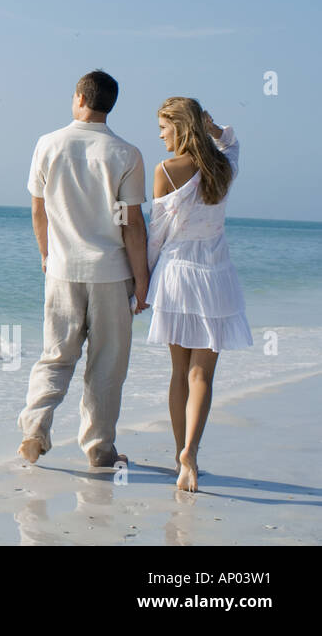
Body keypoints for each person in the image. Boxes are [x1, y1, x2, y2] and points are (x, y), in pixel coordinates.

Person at [18, 70, 150, 467]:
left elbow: (38, 209)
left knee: (55, 356)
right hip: (111, 272)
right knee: (106, 364)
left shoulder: (48, 144)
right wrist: (142, 281)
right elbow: (133, 225)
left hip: (61, 269)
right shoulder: (126, 153)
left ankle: (35, 431)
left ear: (79, 98)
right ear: (111, 104)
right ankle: (98, 448)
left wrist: (45, 254)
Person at [146, 98, 251, 492]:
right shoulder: (222, 168)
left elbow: (157, 233)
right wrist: (214, 129)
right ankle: (192, 451)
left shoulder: (166, 171)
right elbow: (233, 143)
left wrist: (142, 282)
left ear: (179, 127)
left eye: (163, 127)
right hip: (216, 276)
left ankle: (179, 457)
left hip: (177, 275)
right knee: (201, 374)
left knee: (179, 372)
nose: (160, 135)